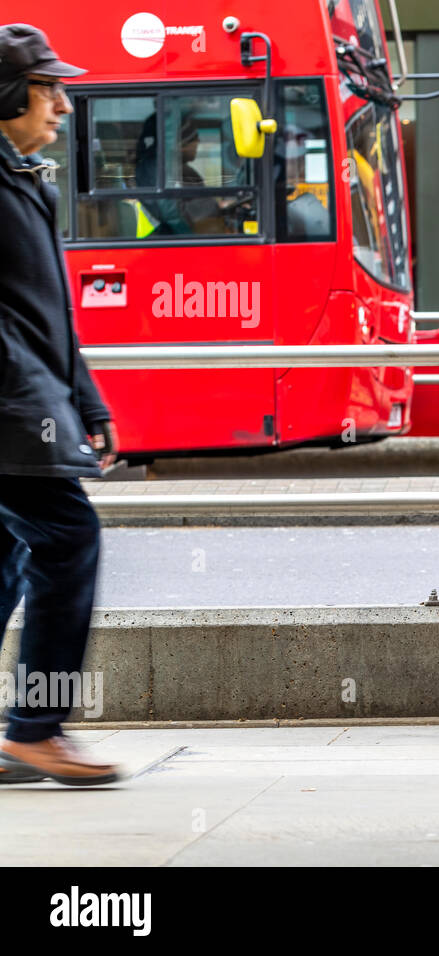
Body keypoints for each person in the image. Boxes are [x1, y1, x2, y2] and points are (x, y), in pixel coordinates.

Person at [0, 23, 120, 786]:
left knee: (6, 562)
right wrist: (39, 408)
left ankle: (28, 731)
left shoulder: (23, 177)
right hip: (11, 415)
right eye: (49, 89)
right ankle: (36, 729)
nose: (63, 106)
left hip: (29, 408)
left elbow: (51, 314)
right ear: (9, 94)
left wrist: (88, 402)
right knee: (69, 540)